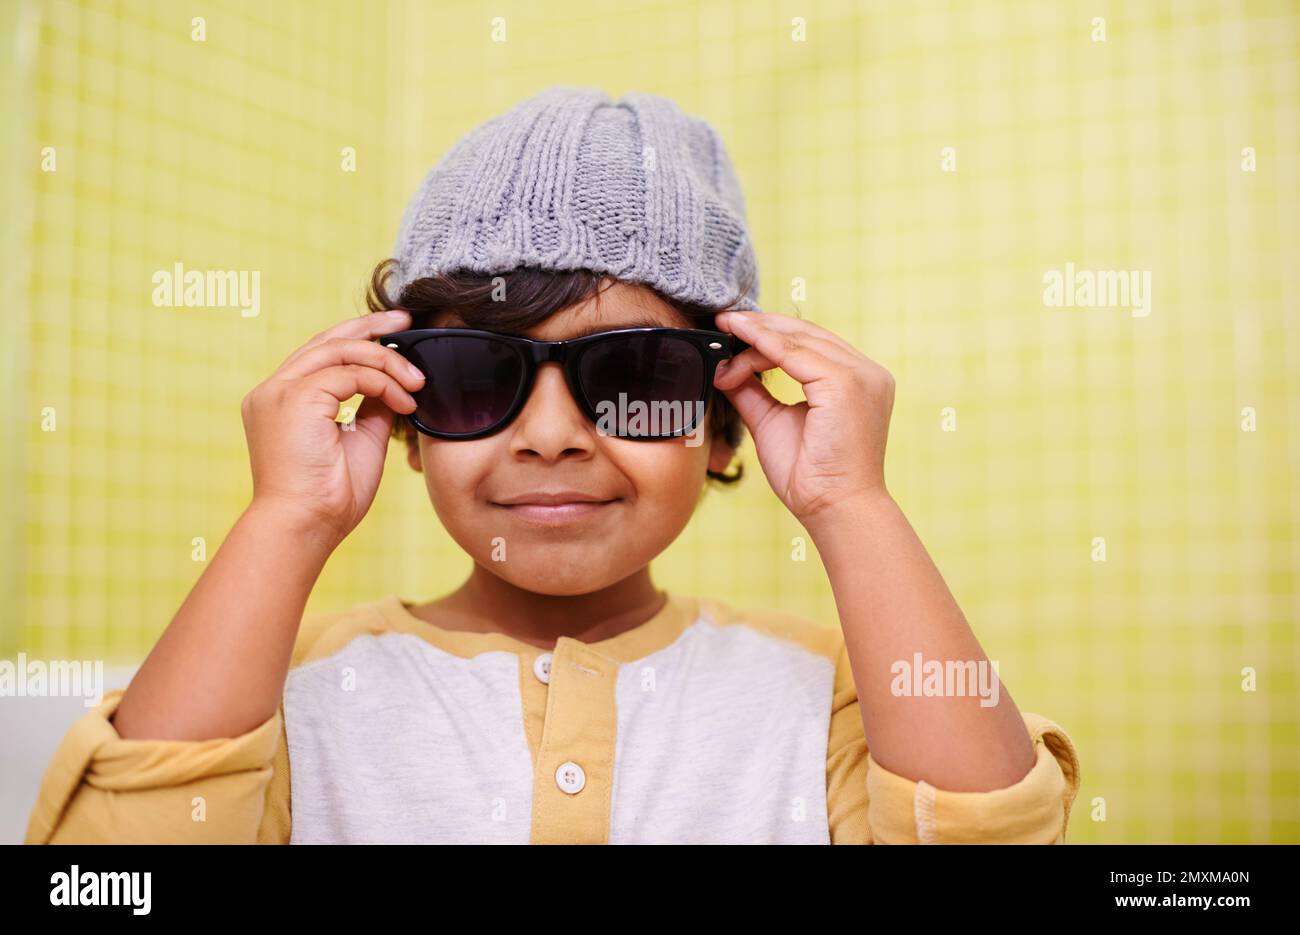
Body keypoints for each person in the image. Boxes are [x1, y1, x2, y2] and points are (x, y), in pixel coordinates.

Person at [26, 86, 1079, 844]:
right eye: (478, 374)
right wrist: (283, 517)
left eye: (631, 370)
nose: (549, 434)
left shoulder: (838, 700)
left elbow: (985, 834)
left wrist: (852, 501)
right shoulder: (281, 693)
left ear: (728, 419)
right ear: (402, 411)